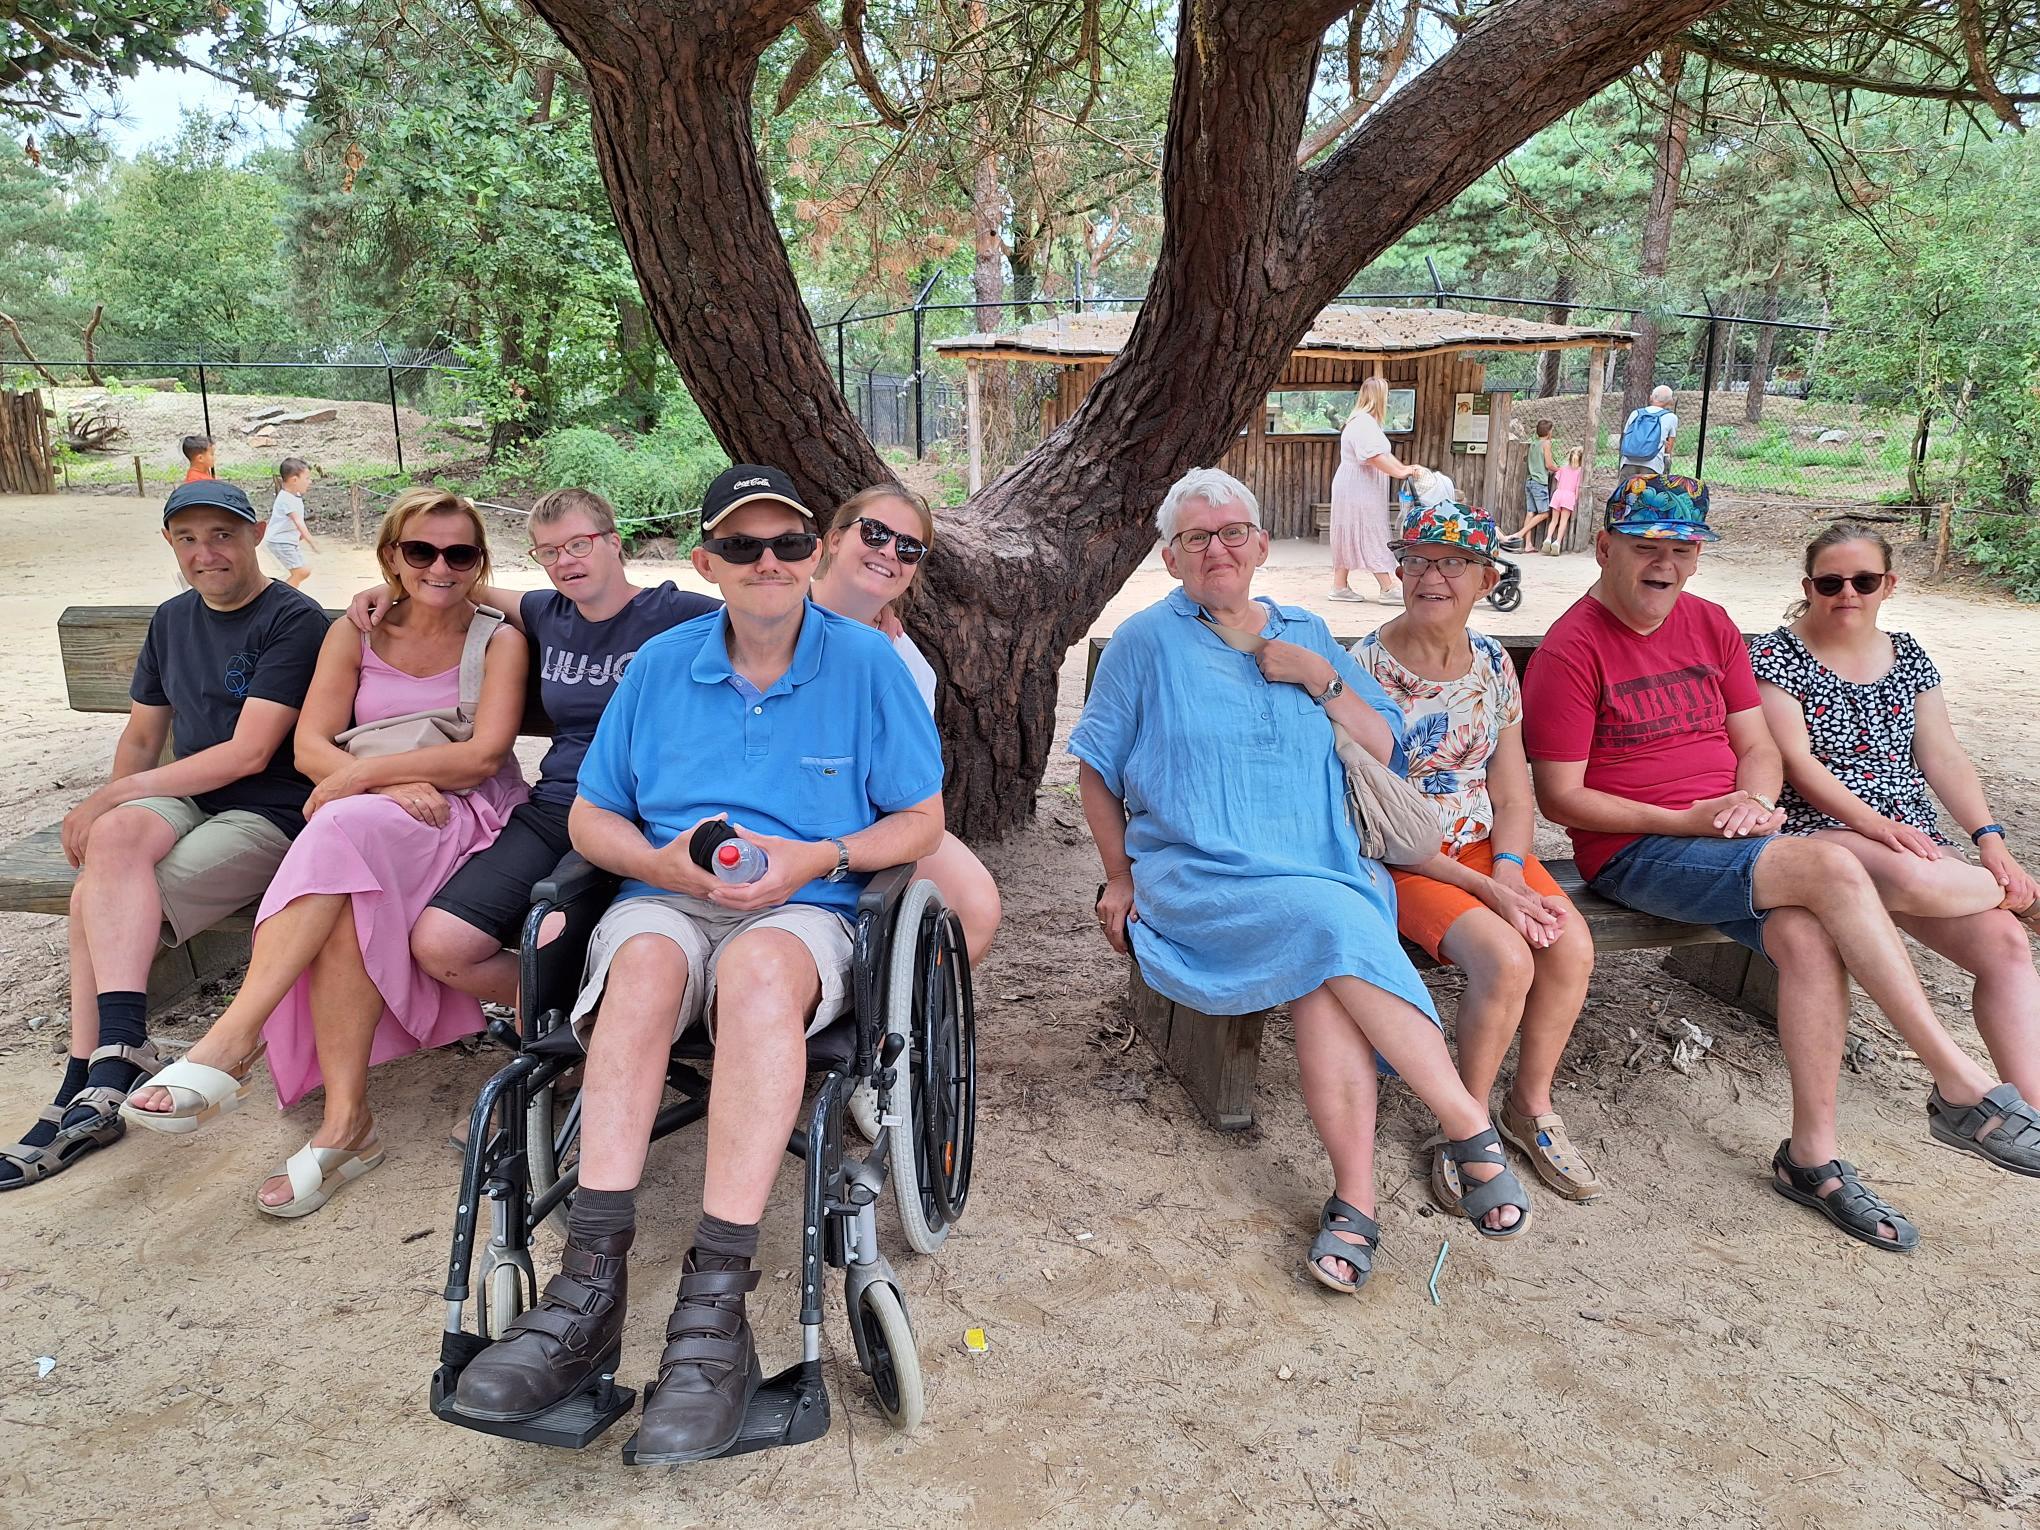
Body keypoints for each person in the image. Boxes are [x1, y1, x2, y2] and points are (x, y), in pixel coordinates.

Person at [448, 464, 943, 1464]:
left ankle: (714, 1309)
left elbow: (921, 820)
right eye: (745, 546)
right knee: (637, 974)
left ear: (814, 554)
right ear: (706, 561)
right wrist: (657, 862)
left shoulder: (867, 665)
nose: (771, 563)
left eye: (791, 544)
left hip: (804, 905)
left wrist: (823, 856)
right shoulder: (662, 666)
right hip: (667, 894)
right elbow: (592, 815)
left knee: (761, 978)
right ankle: (586, 1289)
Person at [1523, 474, 2039, 1254]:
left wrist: (1756, 802)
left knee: (1807, 936)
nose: (1663, 565)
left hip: (1732, 837)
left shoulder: (1710, 623)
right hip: (1639, 850)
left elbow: (1757, 746)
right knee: (1833, 873)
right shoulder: (1573, 647)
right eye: (1644, 548)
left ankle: (1812, 1158)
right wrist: (1684, 819)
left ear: (1696, 558)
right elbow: (1561, 797)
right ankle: (1958, 1081)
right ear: (1604, 548)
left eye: (1681, 549)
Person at [1073, 466, 1533, 1298]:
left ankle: (1355, 1201)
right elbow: (1096, 772)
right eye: (1195, 537)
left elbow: (1386, 748)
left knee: (1326, 965)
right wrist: (1116, 875)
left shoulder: (1308, 631)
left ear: (1259, 544)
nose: (1218, 548)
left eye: (1233, 532)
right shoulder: (1146, 642)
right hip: (1203, 878)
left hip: (1323, 870)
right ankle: (1469, 1123)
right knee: (1329, 926)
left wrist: (1317, 678)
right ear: (1171, 558)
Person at [122, 488, 530, 1219]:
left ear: (479, 562)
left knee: (338, 832)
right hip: (371, 811)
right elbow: (309, 746)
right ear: (391, 556)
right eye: (420, 551)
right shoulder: (355, 631)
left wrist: (369, 777)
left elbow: (482, 758)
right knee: (346, 887)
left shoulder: (498, 638)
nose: (440, 566)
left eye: (459, 553)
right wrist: (366, 784)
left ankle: (235, 1043)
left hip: (462, 813)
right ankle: (345, 1128)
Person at [0, 481, 327, 1191]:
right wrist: (106, 815)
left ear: (252, 536)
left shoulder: (292, 619)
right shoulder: (173, 620)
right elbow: (145, 734)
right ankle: (118, 1052)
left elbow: (247, 753)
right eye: (188, 539)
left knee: (100, 896)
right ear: (171, 546)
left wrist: (113, 795)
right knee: (109, 850)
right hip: (192, 799)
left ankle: (81, 1083)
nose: (206, 552)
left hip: (268, 813)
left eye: (222, 535)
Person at [346, 486, 721, 1011]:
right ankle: (564, 1015)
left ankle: (589, 1029)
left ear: (614, 543)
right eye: (548, 552)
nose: (564, 561)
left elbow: (776, 609)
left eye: (579, 545)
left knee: (559, 936)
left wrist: (878, 614)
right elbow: (456, 587)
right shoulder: (549, 613)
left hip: (649, 814)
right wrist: (386, 591)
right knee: (442, 944)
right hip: (557, 809)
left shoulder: (678, 612)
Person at [1751, 522, 2040, 1153]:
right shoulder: (1774, 656)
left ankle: (2028, 1118)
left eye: (1864, 580)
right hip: (1823, 831)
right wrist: (1873, 823)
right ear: (1809, 587)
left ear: (1889, 584)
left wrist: (1989, 837)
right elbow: (1799, 764)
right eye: (1830, 582)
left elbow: (1942, 754)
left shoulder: (1907, 654)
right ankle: (2016, 894)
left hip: (1913, 839)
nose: (1846, 593)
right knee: (1917, 879)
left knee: (2005, 944)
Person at [1355, 498, 1603, 1208]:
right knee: (1506, 956)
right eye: (1418, 560)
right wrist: (1495, 895)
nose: (1433, 576)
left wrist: (1508, 871)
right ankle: (1461, 1124)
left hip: (1485, 852)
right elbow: (1371, 817)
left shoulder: (1492, 662)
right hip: (1402, 860)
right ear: (1400, 571)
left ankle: (1529, 1106)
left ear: (1487, 579)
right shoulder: (1363, 669)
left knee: (1569, 944)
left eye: (1455, 563)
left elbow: (1513, 789)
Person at [807, 481, 1001, 962]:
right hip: (779, 805)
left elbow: (905, 787)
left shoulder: (908, 665)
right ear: (833, 539)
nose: (889, 551)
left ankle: (890, 1024)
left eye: (908, 547)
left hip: (866, 818)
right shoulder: (773, 614)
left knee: (974, 910)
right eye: (873, 533)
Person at [1328, 377, 1418, 605]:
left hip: (1356, 484)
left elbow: (1383, 455)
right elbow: (1373, 456)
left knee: (1350, 528)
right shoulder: (1364, 423)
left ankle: (1339, 586)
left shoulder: (1363, 422)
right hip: (1358, 487)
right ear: (1379, 397)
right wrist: (1400, 472)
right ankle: (1387, 587)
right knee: (1368, 529)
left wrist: (1404, 469)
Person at [1503, 419, 1558, 553]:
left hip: (1530, 481)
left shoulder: (1534, 443)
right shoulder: (1546, 443)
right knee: (1544, 513)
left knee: (1530, 512)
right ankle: (1519, 534)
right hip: (1539, 481)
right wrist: (1560, 469)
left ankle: (1528, 544)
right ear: (1549, 432)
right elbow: (1549, 464)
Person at [263, 457, 319, 589]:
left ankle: (284, 592)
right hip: (280, 541)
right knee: (301, 572)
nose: (309, 482)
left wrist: (298, 536)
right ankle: (282, 596)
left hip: (287, 541)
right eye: (307, 478)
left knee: (302, 571)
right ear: (294, 480)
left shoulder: (293, 497)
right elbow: (298, 521)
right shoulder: (286, 499)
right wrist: (311, 541)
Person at [1616, 384, 1679, 477]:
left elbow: (1626, 437)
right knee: (1649, 491)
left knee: (1625, 490)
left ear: (1651, 398)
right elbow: (1669, 448)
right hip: (1652, 464)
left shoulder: (1635, 413)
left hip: (1628, 461)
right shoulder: (1671, 417)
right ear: (1670, 402)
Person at [1544, 446, 1585, 555]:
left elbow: (1558, 483)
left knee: (1554, 520)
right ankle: (1557, 542)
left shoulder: (1562, 468)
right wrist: (1575, 499)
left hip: (1558, 494)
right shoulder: (1580, 471)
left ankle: (1548, 538)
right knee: (1563, 521)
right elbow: (1577, 487)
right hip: (1569, 496)